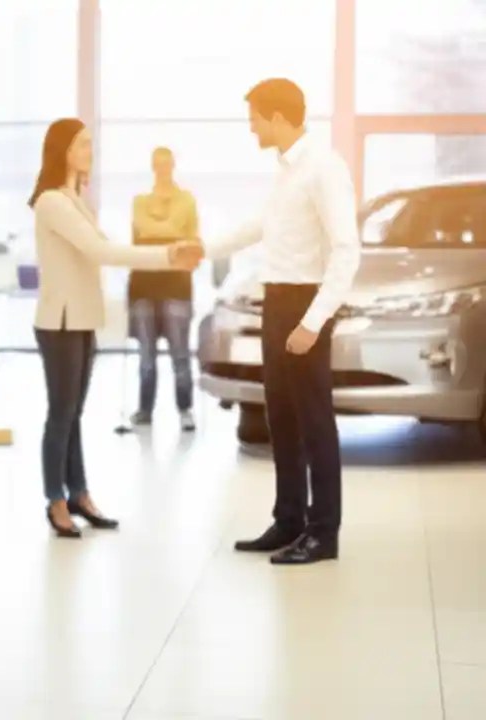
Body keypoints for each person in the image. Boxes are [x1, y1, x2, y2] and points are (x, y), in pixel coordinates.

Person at [200, 78, 361, 565]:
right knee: (281, 419)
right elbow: (261, 227)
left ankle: (323, 532)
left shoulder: (323, 167)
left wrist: (313, 321)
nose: (250, 127)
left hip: (305, 304)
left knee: (314, 421)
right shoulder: (286, 172)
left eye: (254, 117)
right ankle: (289, 519)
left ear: (276, 117)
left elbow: (346, 250)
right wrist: (203, 249)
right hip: (276, 301)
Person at [29, 118, 201, 539]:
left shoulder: (76, 199)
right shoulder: (51, 201)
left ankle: (79, 494)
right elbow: (100, 251)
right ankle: (55, 500)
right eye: (83, 144)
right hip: (60, 320)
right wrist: (167, 255)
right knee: (61, 414)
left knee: (74, 414)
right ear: (64, 149)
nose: (91, 150)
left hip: (81, 318)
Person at [128, 147, 200, 431]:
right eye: (157, 164)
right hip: (143, 285)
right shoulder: (139, 201)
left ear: (173, 165)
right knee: (146, 356)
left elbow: (189, 237)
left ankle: (185, 409)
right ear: (152, 167)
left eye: (166, 163)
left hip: (177, 285)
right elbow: (143, 231)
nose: (162, 169)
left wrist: (163, 230)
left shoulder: (187, 200)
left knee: (180, 354)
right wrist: (172, 233)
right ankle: (144, 410)